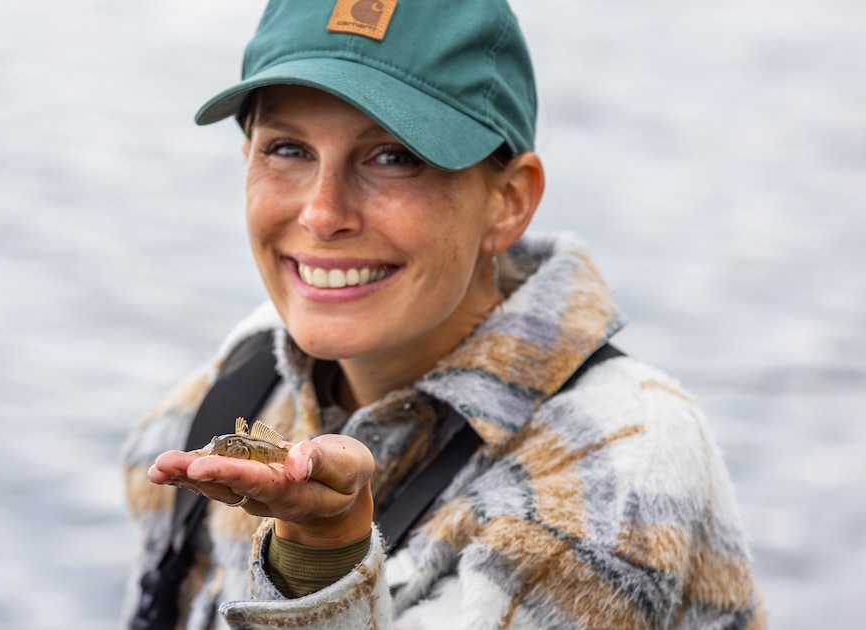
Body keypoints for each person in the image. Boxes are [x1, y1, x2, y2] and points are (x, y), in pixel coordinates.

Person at [121, 0, 765, 628]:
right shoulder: (251, 363)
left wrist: (322, 551)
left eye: (394, 156)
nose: (321, 213)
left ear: (509, 201)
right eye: (288, 149)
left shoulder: (625, 467)